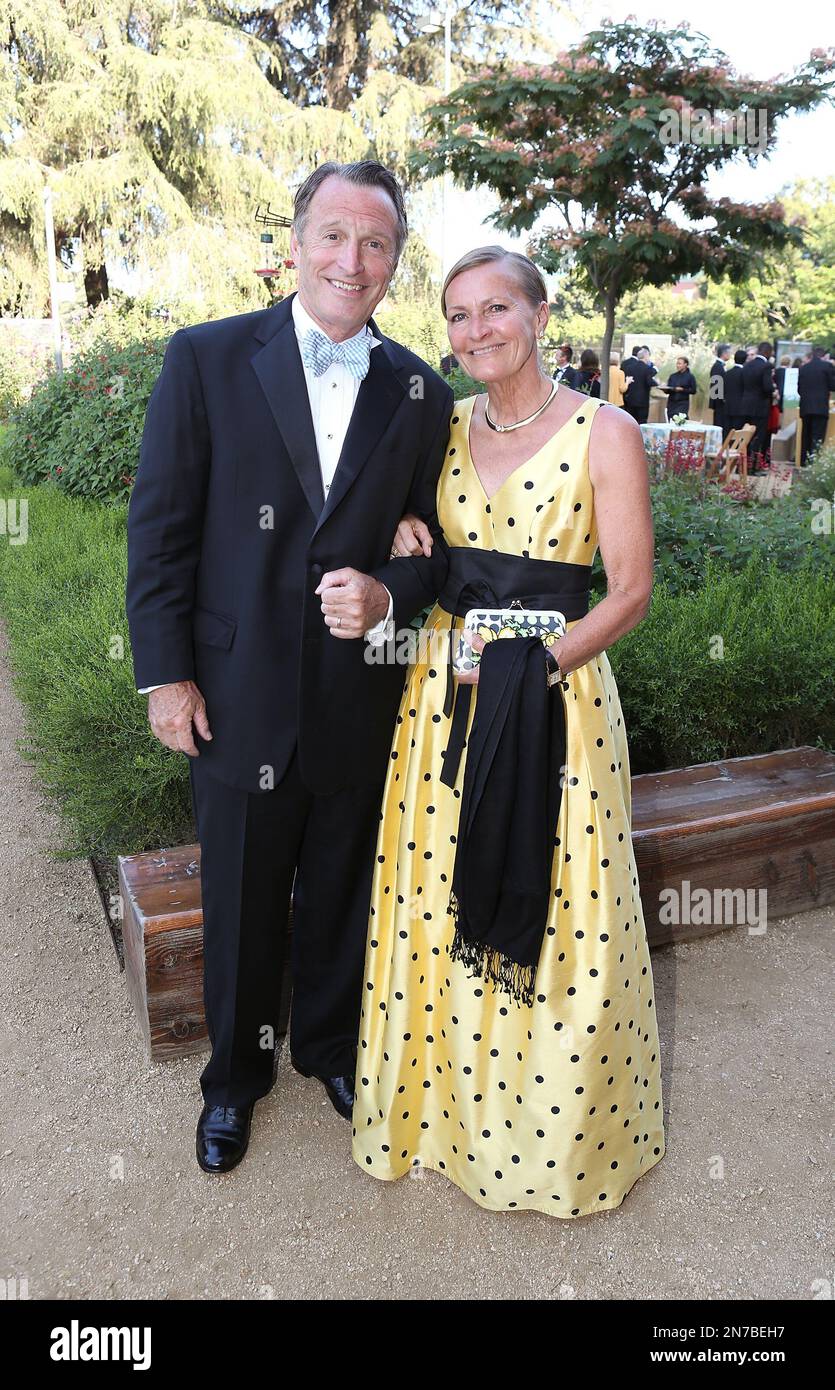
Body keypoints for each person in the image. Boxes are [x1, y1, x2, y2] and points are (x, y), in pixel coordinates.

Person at [126, 160, 454, 1174]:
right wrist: (165, 675)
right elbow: (160, 530)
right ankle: (233, 1081)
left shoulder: (421, 390)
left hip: (357, 698)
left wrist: (395, 592)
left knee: (344, 892)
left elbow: (442, 548)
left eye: (375, 244)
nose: (350, 260)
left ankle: (327, 1048)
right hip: (234, 696)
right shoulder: (208, 359)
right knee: (238, 901)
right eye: (333, 236)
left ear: (394, 262)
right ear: (295, 240)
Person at [352, 245, 665, 1218]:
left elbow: (632, 591)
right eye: (457, 314)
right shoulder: (435, 427)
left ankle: (550, 1139)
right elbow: (415, 543)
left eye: (495, 308)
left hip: (553, 705)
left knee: (561, 907)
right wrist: (407, 539)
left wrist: (535, 670)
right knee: (432, 899)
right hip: (441, 695)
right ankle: (440, 1120)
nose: (476, 329)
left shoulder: (603, 431)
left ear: (537, 314)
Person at [798, 346, 835, 464]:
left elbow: (799, 389)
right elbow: (832, 385)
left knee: (806, 435)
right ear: (823, 356)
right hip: (820, 407)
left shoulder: (803, 368)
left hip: (805, 407)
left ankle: (803, 461)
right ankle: (813, 463)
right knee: (817, 436)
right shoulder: (827, 366)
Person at [740, 340, 774, 462]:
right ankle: (753, 465)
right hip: (760, 406)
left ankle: (742, 464)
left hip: (745, 405)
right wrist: (774, 390)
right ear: (768, 352)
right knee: (758, 436)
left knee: (746, 436)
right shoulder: (766, 366)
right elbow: (767, 387)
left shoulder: (747, 365)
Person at [620, 345, 657, 425]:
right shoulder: (647, 369)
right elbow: (649, 382)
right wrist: (657, 383)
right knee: (642, 422)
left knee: (631, 421)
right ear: (646, 356)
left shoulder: (629, 368)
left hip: (630, 399)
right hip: (642, 400)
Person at [662, 355, 698, 420]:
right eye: (677, 363)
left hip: (682, 404)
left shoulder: (690, 377)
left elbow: (693, 390)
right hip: (671, 403)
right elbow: (669, 389)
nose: (677, 365)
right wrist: (665, 389)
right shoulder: (673, 376)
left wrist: (683, 390)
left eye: (680, 364)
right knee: (671, 421)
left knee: (680, 421)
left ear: (685, 364)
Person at [723, 349, 747, 432]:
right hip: (740, 408)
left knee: (727, 431)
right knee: (737, 432)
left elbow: (723, 389)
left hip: (727, 406)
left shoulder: (727, 373)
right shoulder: (744, 373)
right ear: (745, 359)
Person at [709, 344, 731, 436]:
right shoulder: (717, 366)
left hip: (720, 402)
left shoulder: (721, 366)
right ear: (724, 354)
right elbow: (715, 386)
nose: (730, 355)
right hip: (719, 402)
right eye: (729, 353)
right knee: (719, 423)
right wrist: (721, 400)